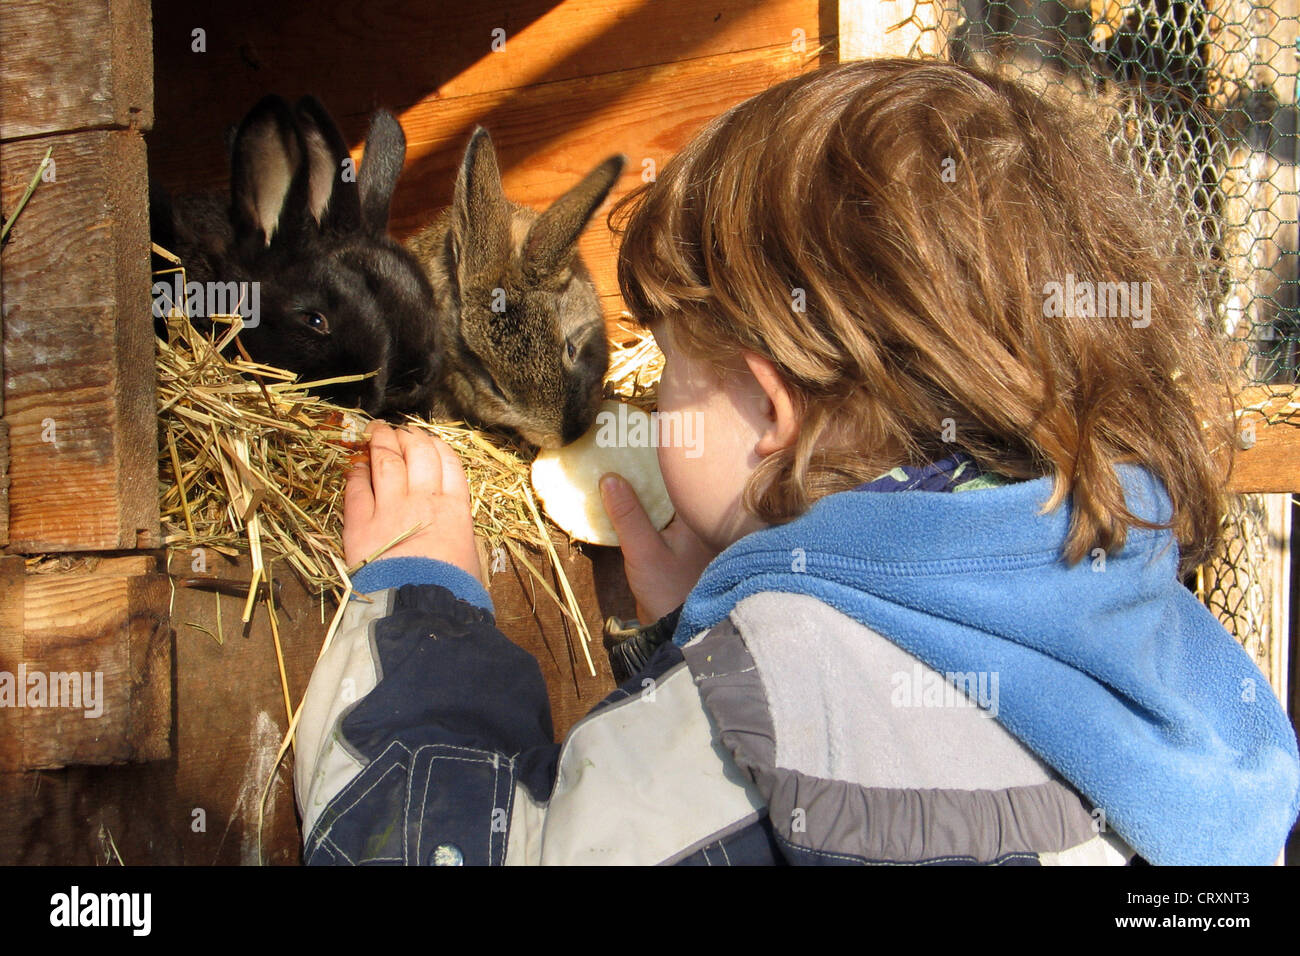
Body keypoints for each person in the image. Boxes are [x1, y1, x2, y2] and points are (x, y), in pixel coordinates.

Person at [292, 57, 1300, 865]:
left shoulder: (760, 706)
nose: (642, 402)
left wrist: (420, 613)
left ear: (768, 412)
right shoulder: (1168, 649)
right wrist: (720, 610)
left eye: (668, 370)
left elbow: (450, 842)